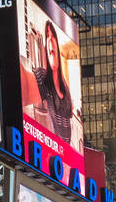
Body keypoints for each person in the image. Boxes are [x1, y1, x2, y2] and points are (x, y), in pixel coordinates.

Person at [19, 20, 82, 152]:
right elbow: (25, 87)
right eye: (47, 36)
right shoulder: (42, 77)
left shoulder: (66, 91)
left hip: (64, 157)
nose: (50, 40)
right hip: (47, 153)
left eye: (52, 35)